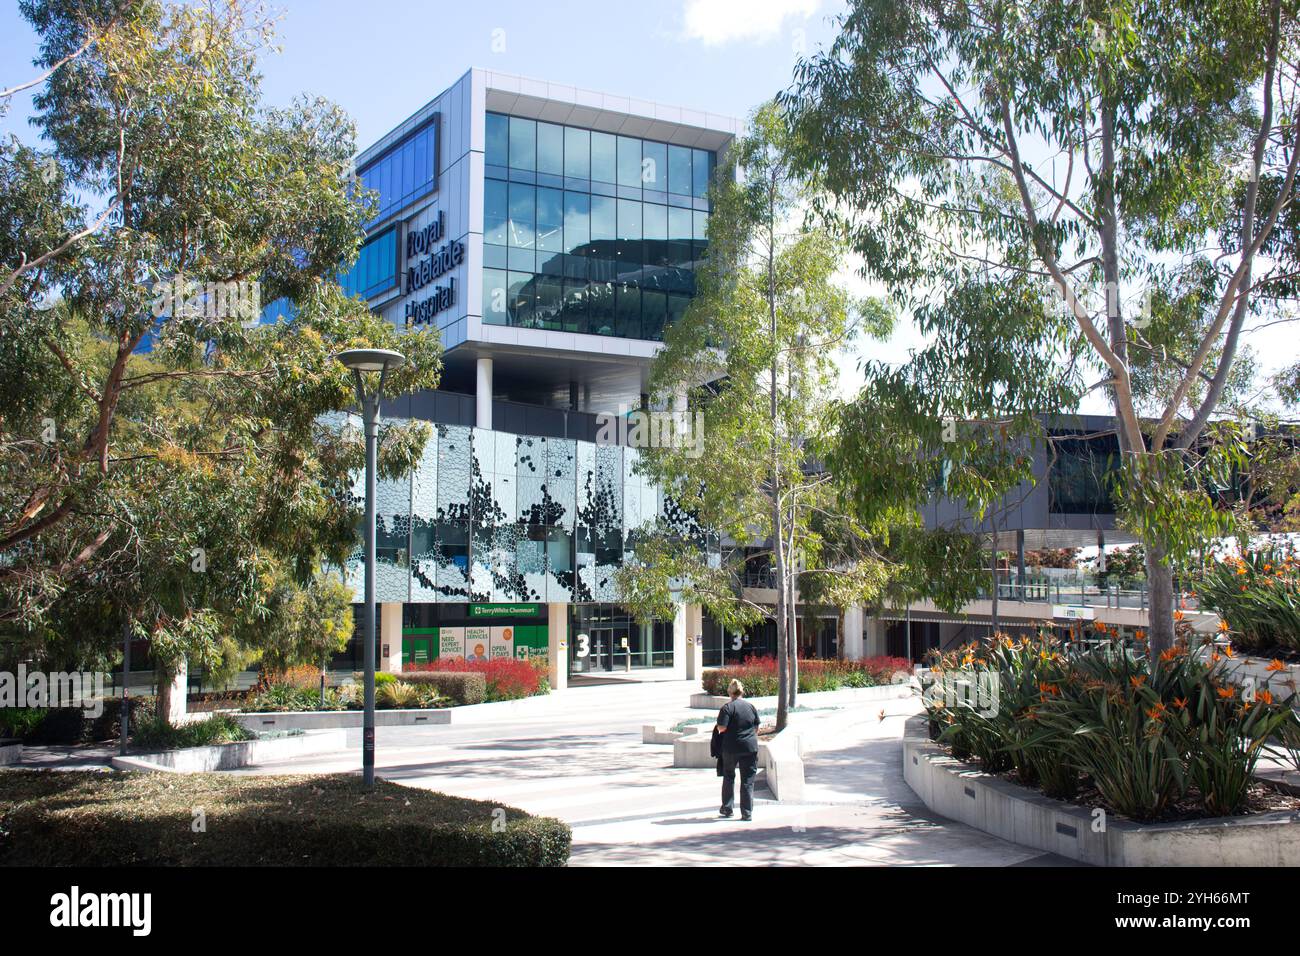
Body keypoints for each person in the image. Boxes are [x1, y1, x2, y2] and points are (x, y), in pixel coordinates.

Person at [715, 678, 760, 820]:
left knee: (729, 776)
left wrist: (717, 728)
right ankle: (747, 813)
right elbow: (756, 728)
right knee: (748, 780)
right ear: (742, 691)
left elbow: (722, 728)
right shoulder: (750, 706)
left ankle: (728, 809)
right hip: (750, 747)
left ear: (730, 692)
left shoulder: (727, 708)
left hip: (731, 747)